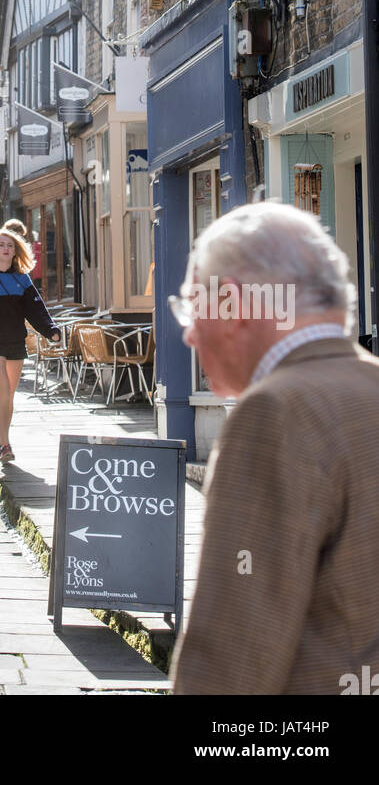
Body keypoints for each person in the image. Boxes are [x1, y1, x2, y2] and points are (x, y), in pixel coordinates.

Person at [169, 200, 379, 695]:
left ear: (236, 306)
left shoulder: (276, 413)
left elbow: (229, 654)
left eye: (192, 305)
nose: (190, 331)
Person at [0, 228, 61, 463]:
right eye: (2, 245)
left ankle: (1, 441)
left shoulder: (22, 279)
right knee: (3, 391)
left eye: (10, 246)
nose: (6, 249)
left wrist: (51, 331)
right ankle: (4, 444)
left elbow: (36, 311)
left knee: (9, 396)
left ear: (15, 252)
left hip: (16, 342)